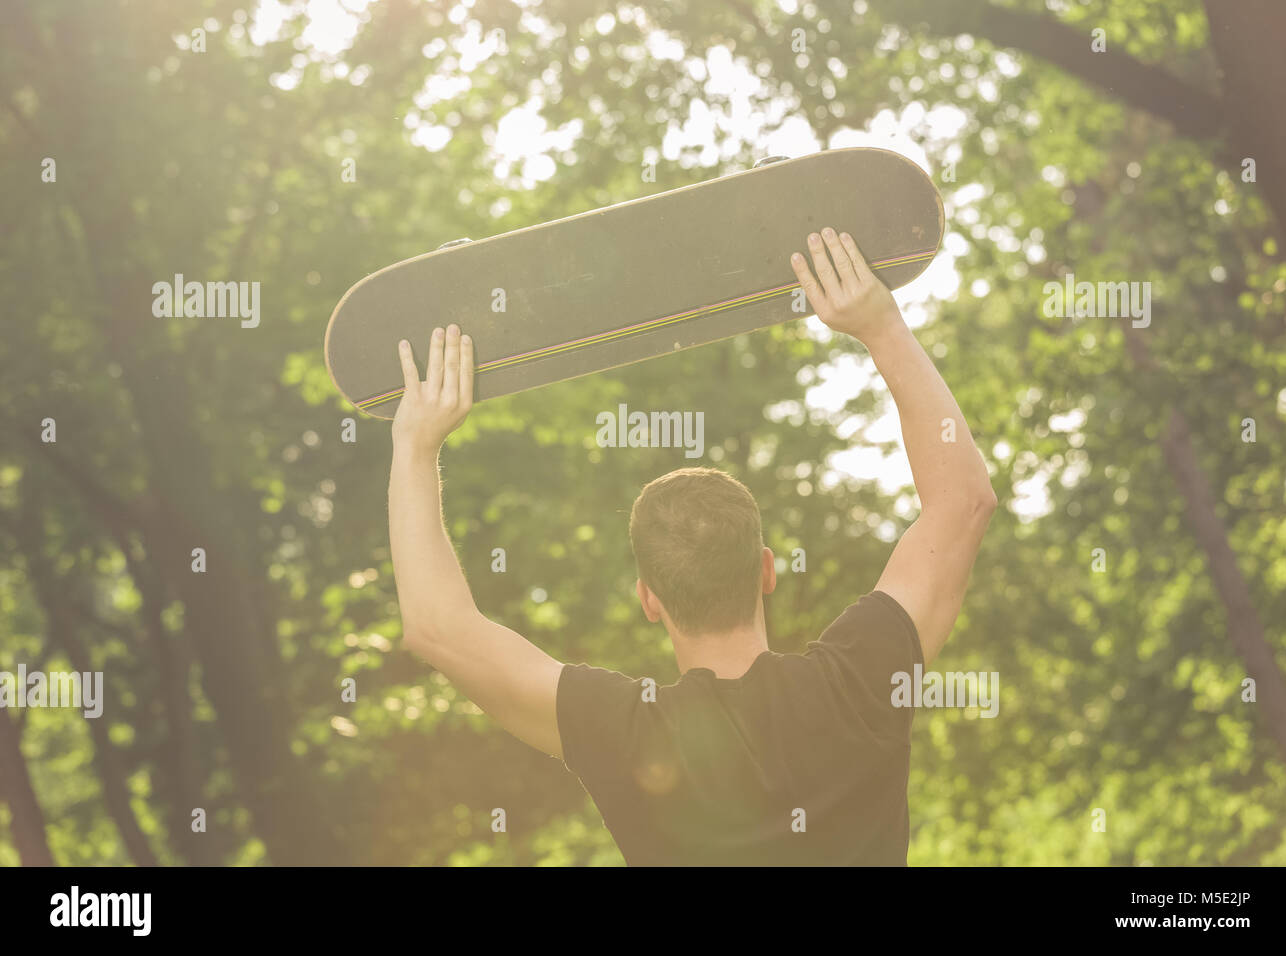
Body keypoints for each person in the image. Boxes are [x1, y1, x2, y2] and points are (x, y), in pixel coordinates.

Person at [387, 227, 997, 865]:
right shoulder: (860, 681)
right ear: (765, 571)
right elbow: (964, 502)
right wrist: (881, 325)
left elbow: (436, 628)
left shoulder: (623, 732)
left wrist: (415, 444)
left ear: (649, 599)